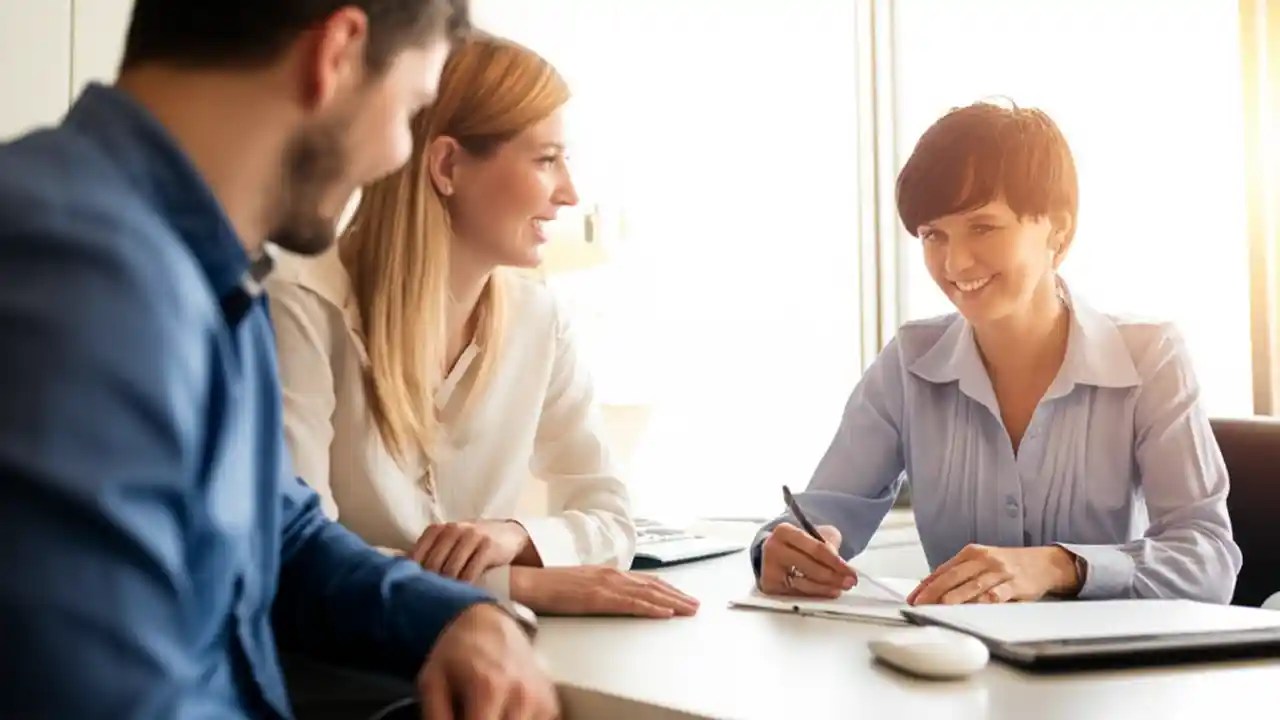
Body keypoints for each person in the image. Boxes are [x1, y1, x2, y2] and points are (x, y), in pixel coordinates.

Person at [0, 2, 560, 719]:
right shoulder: (78, 276)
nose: (396, 154)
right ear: (336, 55)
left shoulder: (201, 271)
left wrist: (458, 615)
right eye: (410, 108)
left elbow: (280, 533)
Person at [267, 33, 699, 620]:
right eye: (546, 160)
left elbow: (610, 516)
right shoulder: (300, 303)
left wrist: (516, 536)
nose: (569, 193)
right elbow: (297, 555)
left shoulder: (539, 321)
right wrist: (512, 586)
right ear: (447, 165)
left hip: (474, 652)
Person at [752, 101, 1242, 606]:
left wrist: (1060, 565)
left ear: (1059, 232)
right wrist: (780, 550)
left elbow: (1207, 562)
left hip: (1111, 678)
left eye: (983, 227)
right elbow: (822, 515)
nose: (954, 262)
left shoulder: (1149, 357)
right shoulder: (909, 363)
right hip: (961, 670)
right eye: (933, 235)